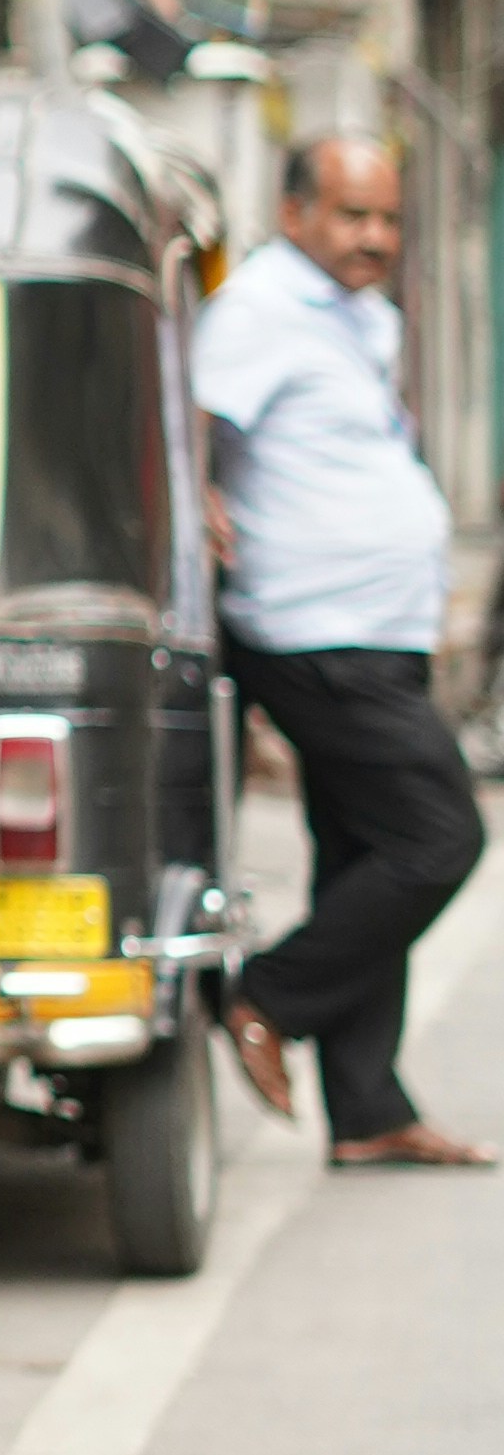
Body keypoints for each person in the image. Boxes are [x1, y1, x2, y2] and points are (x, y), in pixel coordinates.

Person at [198, 130, 491, 1168]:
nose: (372, 237)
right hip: (315, 632)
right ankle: (267, 998)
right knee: (438, 837)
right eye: (350, 215)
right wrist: (197, 495)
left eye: (386, 219)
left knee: (364, 850)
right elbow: (193, 416)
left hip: (377, 627)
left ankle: (366, 1111)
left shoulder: (357, 317)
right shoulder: (260, 309)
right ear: (294, 216)